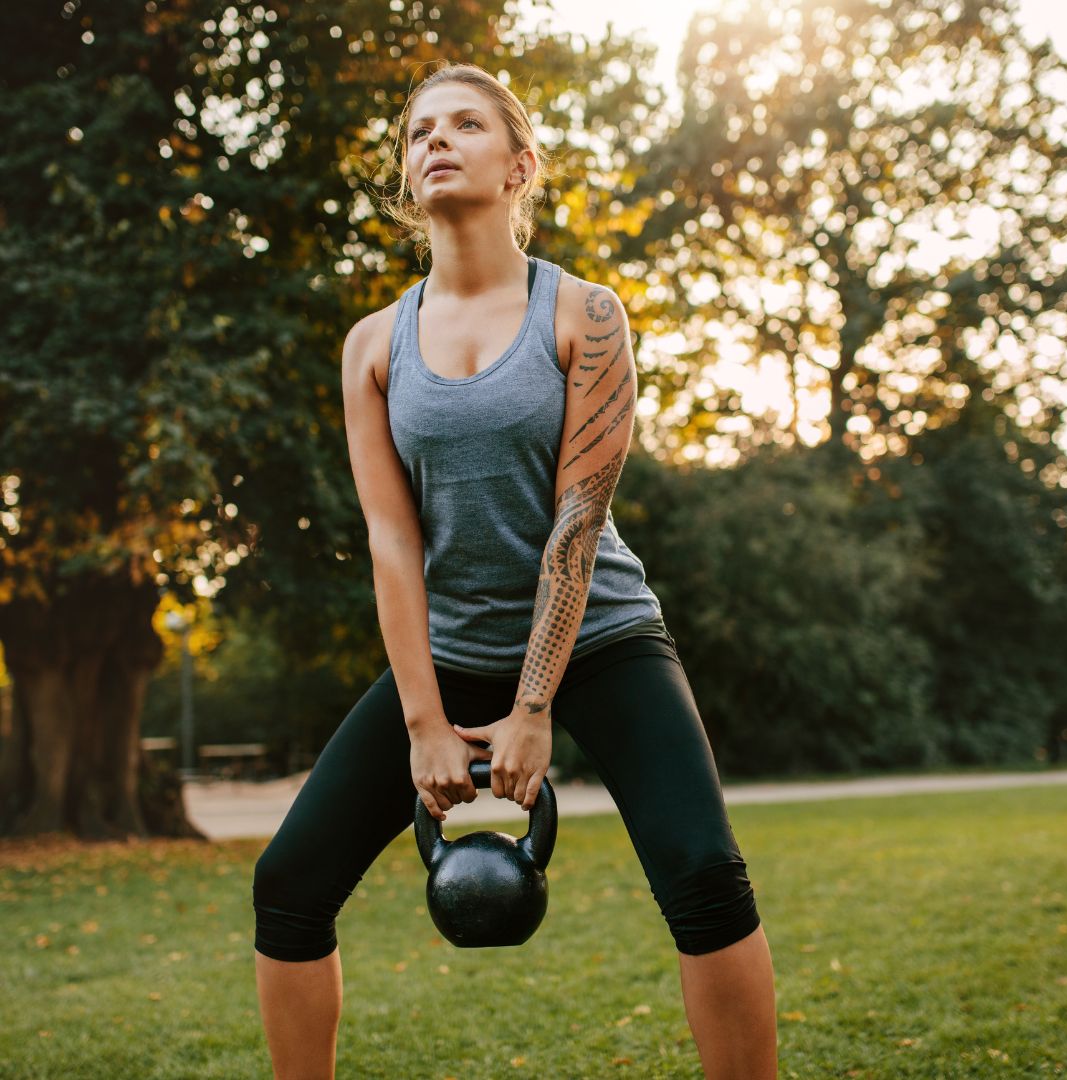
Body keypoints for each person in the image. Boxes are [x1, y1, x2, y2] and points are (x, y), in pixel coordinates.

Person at [251, 61, 778, 1080]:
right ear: (409, 178)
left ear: (519, 164)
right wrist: (422, 725)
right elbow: (392, 542)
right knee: (290, 882)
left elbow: (577, 523)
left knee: (706, 877)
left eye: (463, 126)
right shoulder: (373, 347)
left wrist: (534, 708)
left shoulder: (586, 317)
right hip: (449, 651)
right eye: (418, 133)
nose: (434, 141)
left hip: (603, 638)